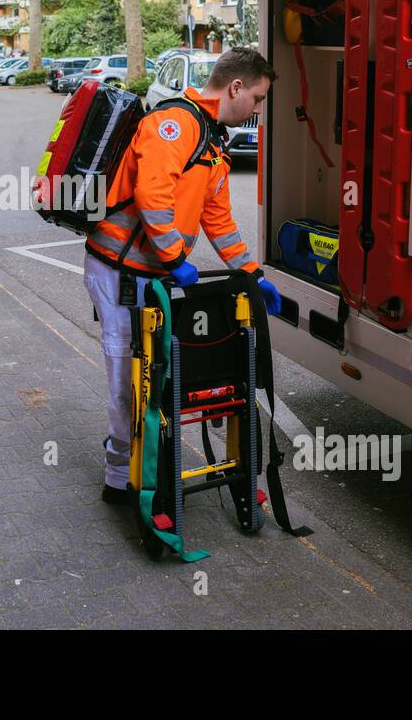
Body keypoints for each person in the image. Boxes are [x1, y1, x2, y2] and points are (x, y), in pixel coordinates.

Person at [83, 46, 280, 504]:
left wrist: (252, 274)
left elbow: (220, 221)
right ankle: (120, 481)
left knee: (155, 377)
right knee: (125, 379)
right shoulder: (177, 124)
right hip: (118, 271)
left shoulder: (213, 140)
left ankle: (147, 465)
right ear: (234, 87)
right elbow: (152, 195)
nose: (256, 110)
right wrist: (175, 259)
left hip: (152, 273)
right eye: (257, 98)